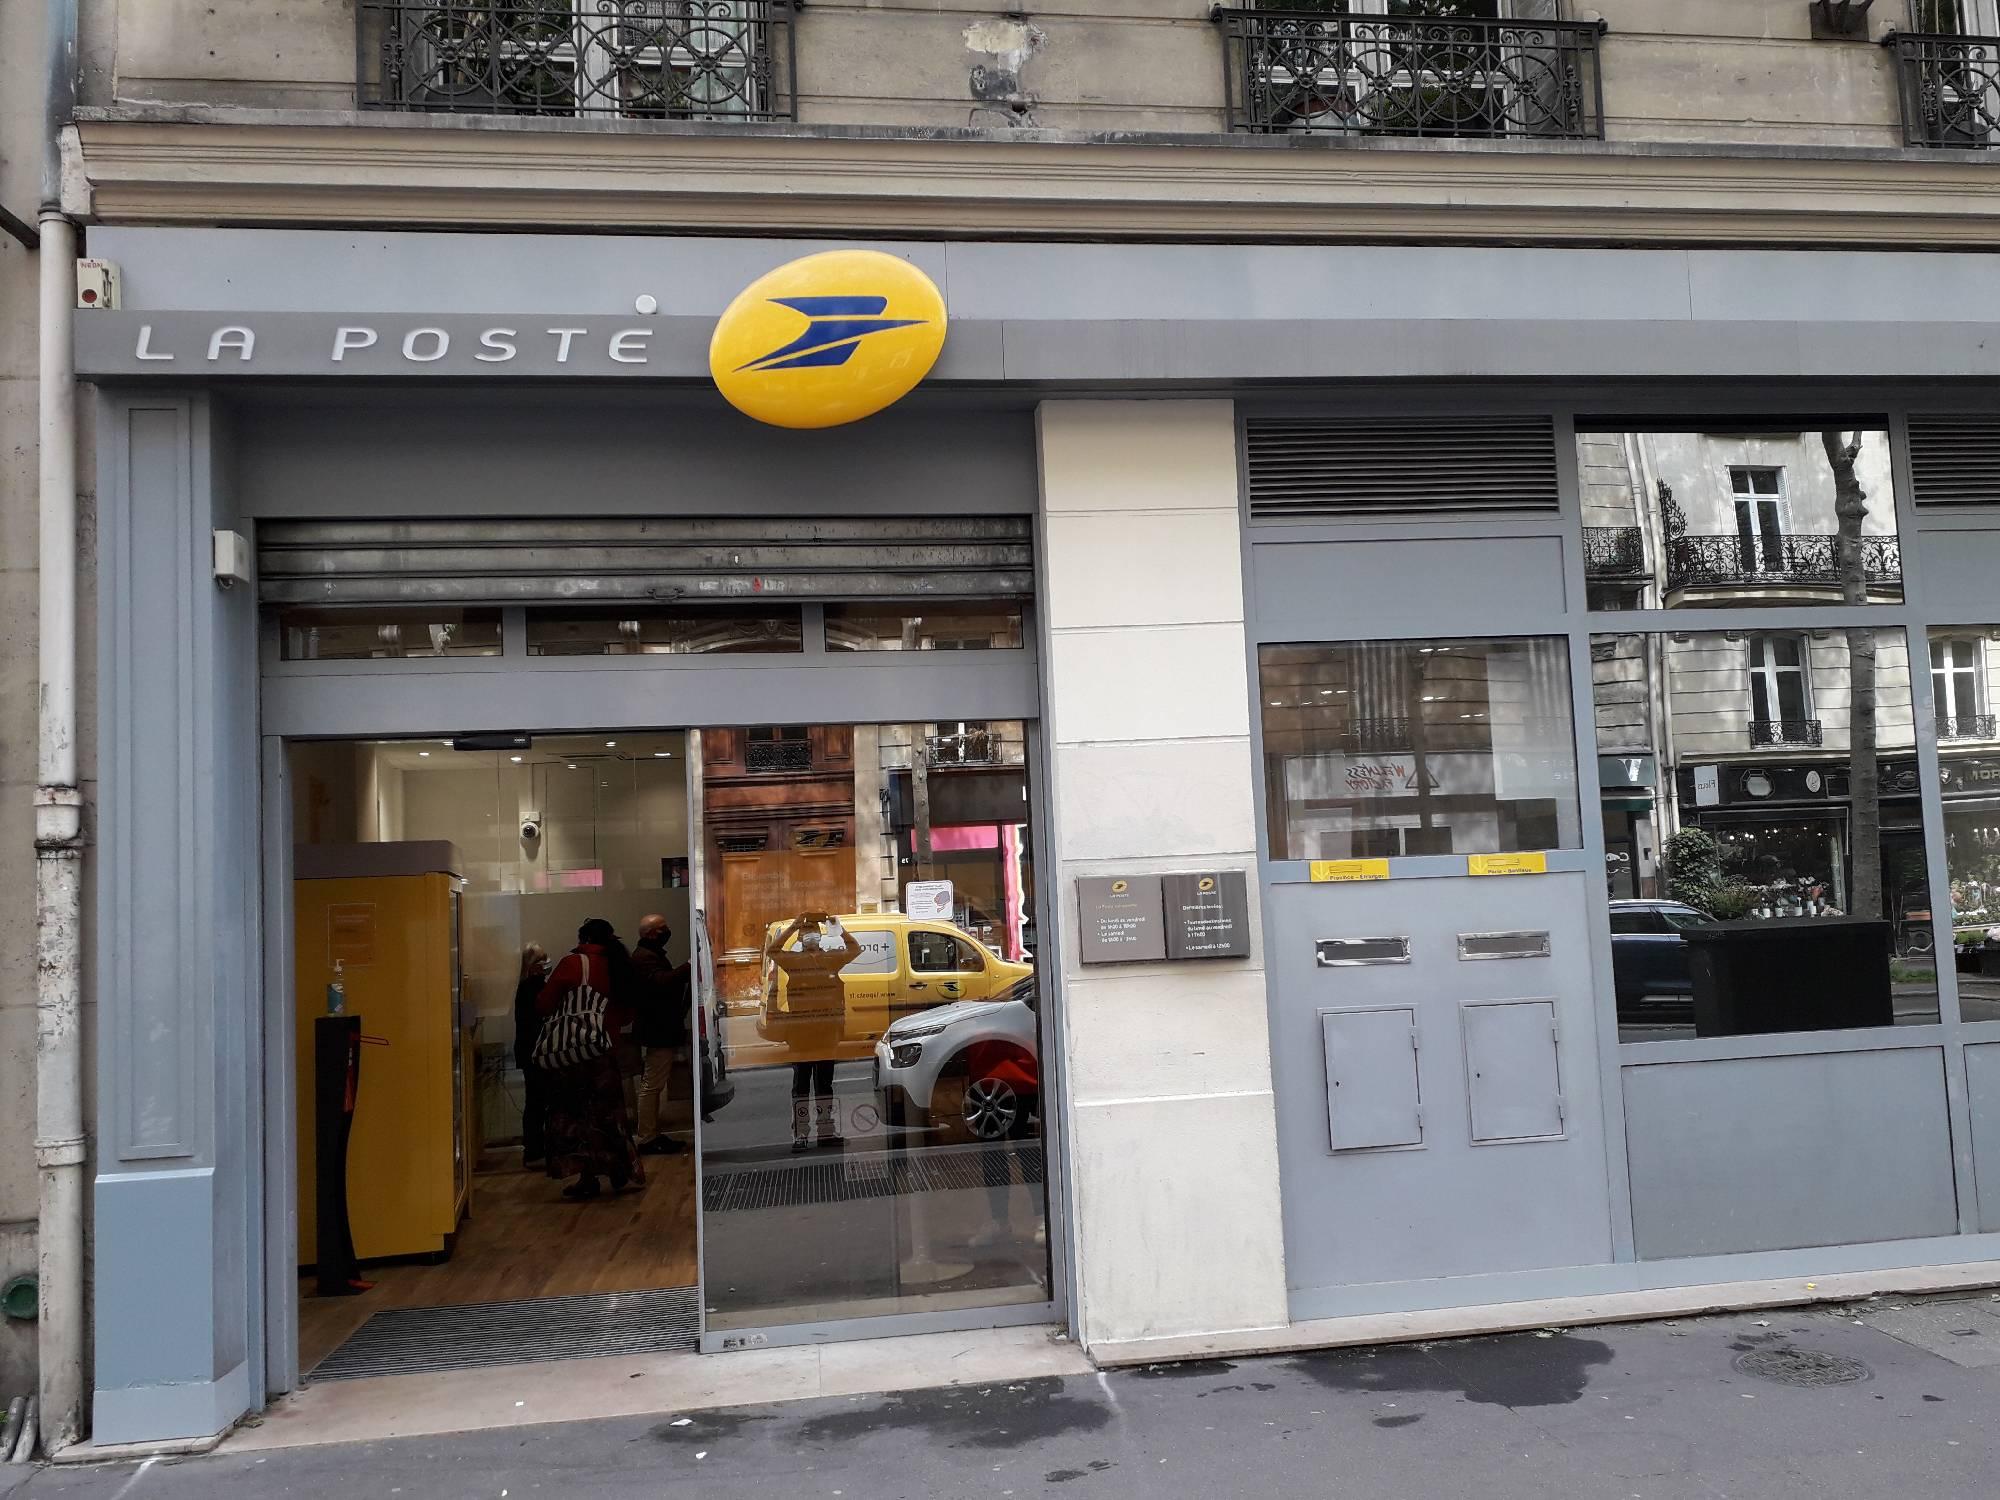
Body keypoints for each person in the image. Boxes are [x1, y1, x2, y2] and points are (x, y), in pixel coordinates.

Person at [537, 918, 643, 1201]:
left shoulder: (573, 964)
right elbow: (628, 1012)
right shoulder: (618, 964)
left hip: (576, 1053)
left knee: (578, 1118)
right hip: (606, 1051)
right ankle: (619, 1165)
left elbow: (544, 1004)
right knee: (609, 1115)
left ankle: (588, 1177)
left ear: (583, 939)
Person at [765, 912, 861, 1153]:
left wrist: (838, 928)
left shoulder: (831, 959)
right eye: (806, 933)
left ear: (820, 936)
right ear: (800, 938)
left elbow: (855, 949)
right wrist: (793, 925)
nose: (810, 936)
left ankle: (826, 1132)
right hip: (801, 1033)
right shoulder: (793, 961)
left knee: (825, 1085)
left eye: (814, 933)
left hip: (827, 1032)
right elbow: (772, 951)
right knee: (801, 1086)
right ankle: (801, 1134)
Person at [630, 913, 691, 1157]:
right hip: (657, 1029)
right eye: (662, 928)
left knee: (654, 1084)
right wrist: (687, 967)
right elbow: (662, 982)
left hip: (658, 1028)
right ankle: (647, 1136)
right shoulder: (645, 958)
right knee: (652, 1085)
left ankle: (650, 1133)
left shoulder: (647, 955)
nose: (667, 931)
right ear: (650, 933)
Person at [512, 943, 551, 1169]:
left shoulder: (523, 987)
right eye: (540, 960)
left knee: (535, 1100)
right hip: (536, 1050)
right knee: (537, 1101)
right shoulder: (532, 988)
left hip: (529, 1050)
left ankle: (534, 1149)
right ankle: (535, 1149)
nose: (545, 964)